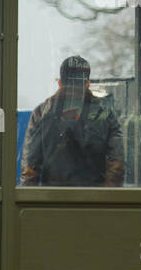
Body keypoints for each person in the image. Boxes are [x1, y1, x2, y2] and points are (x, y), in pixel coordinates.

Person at [20, 55, 125, 186]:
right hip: (93, 199)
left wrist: (29, 201)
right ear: (87, 84)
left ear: (60, 83)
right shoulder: (105, 114)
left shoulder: (41, 113)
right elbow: (116, 165)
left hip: (51, 200)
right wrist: (106, 199)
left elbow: (30, 168)